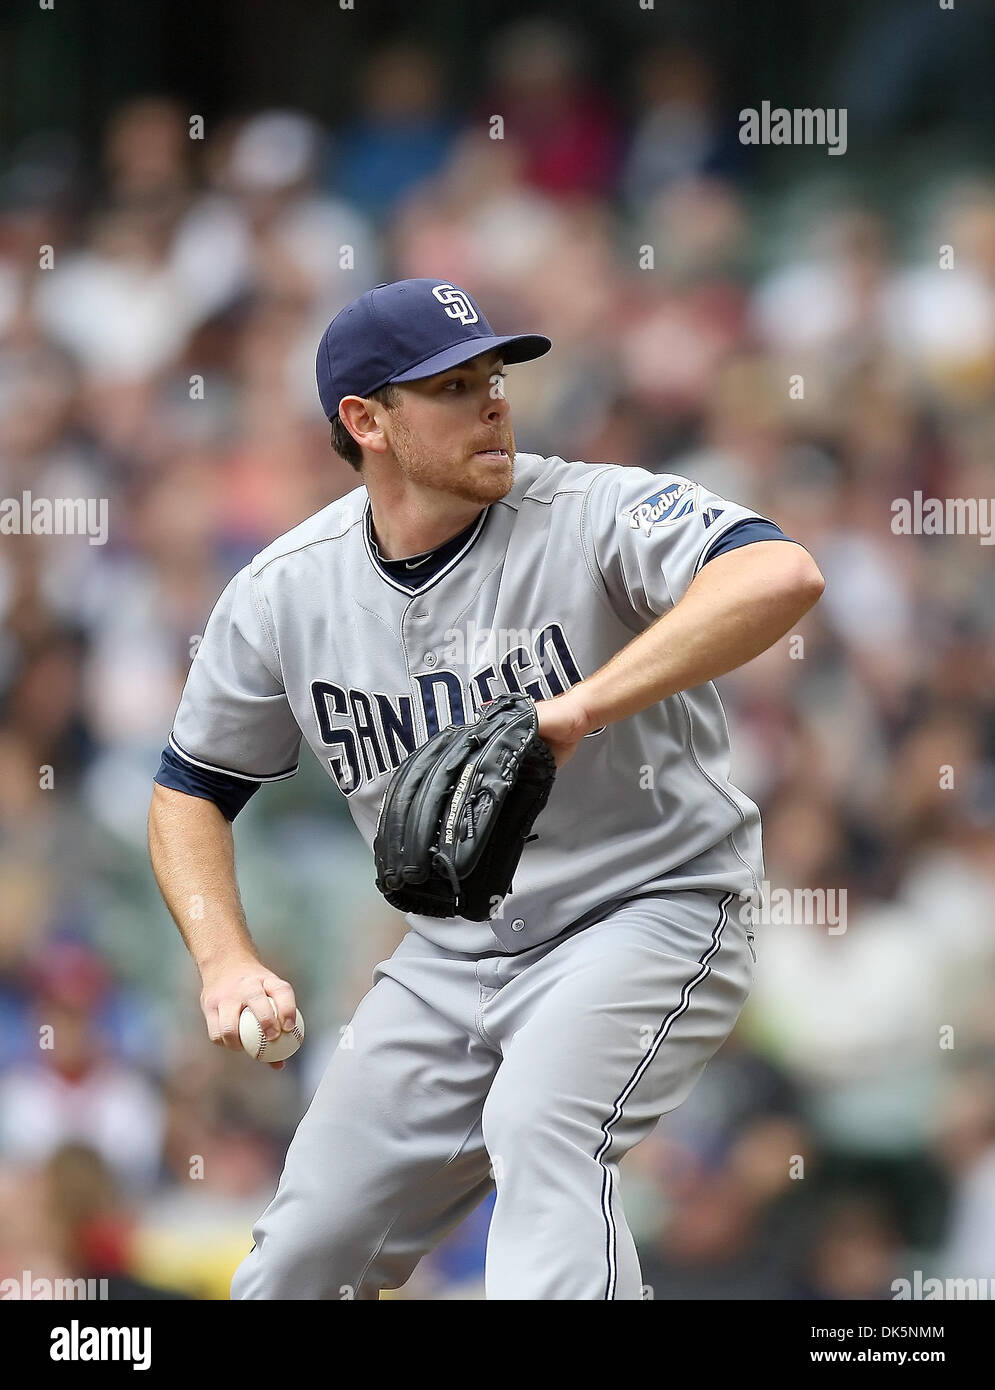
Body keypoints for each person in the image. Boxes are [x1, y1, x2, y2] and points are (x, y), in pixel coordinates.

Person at [147, 277, 825, 1300]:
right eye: (453, 387)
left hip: (643, 904)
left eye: (494, 377)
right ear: (365, 420)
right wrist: (225, 958)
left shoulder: (588, 509)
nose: (494, 402)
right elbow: (189, 788)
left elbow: (778, 576)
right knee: (298, 1259)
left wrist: (578, 707)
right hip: (452, 956)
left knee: (542, 1124)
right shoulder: (286, 591)